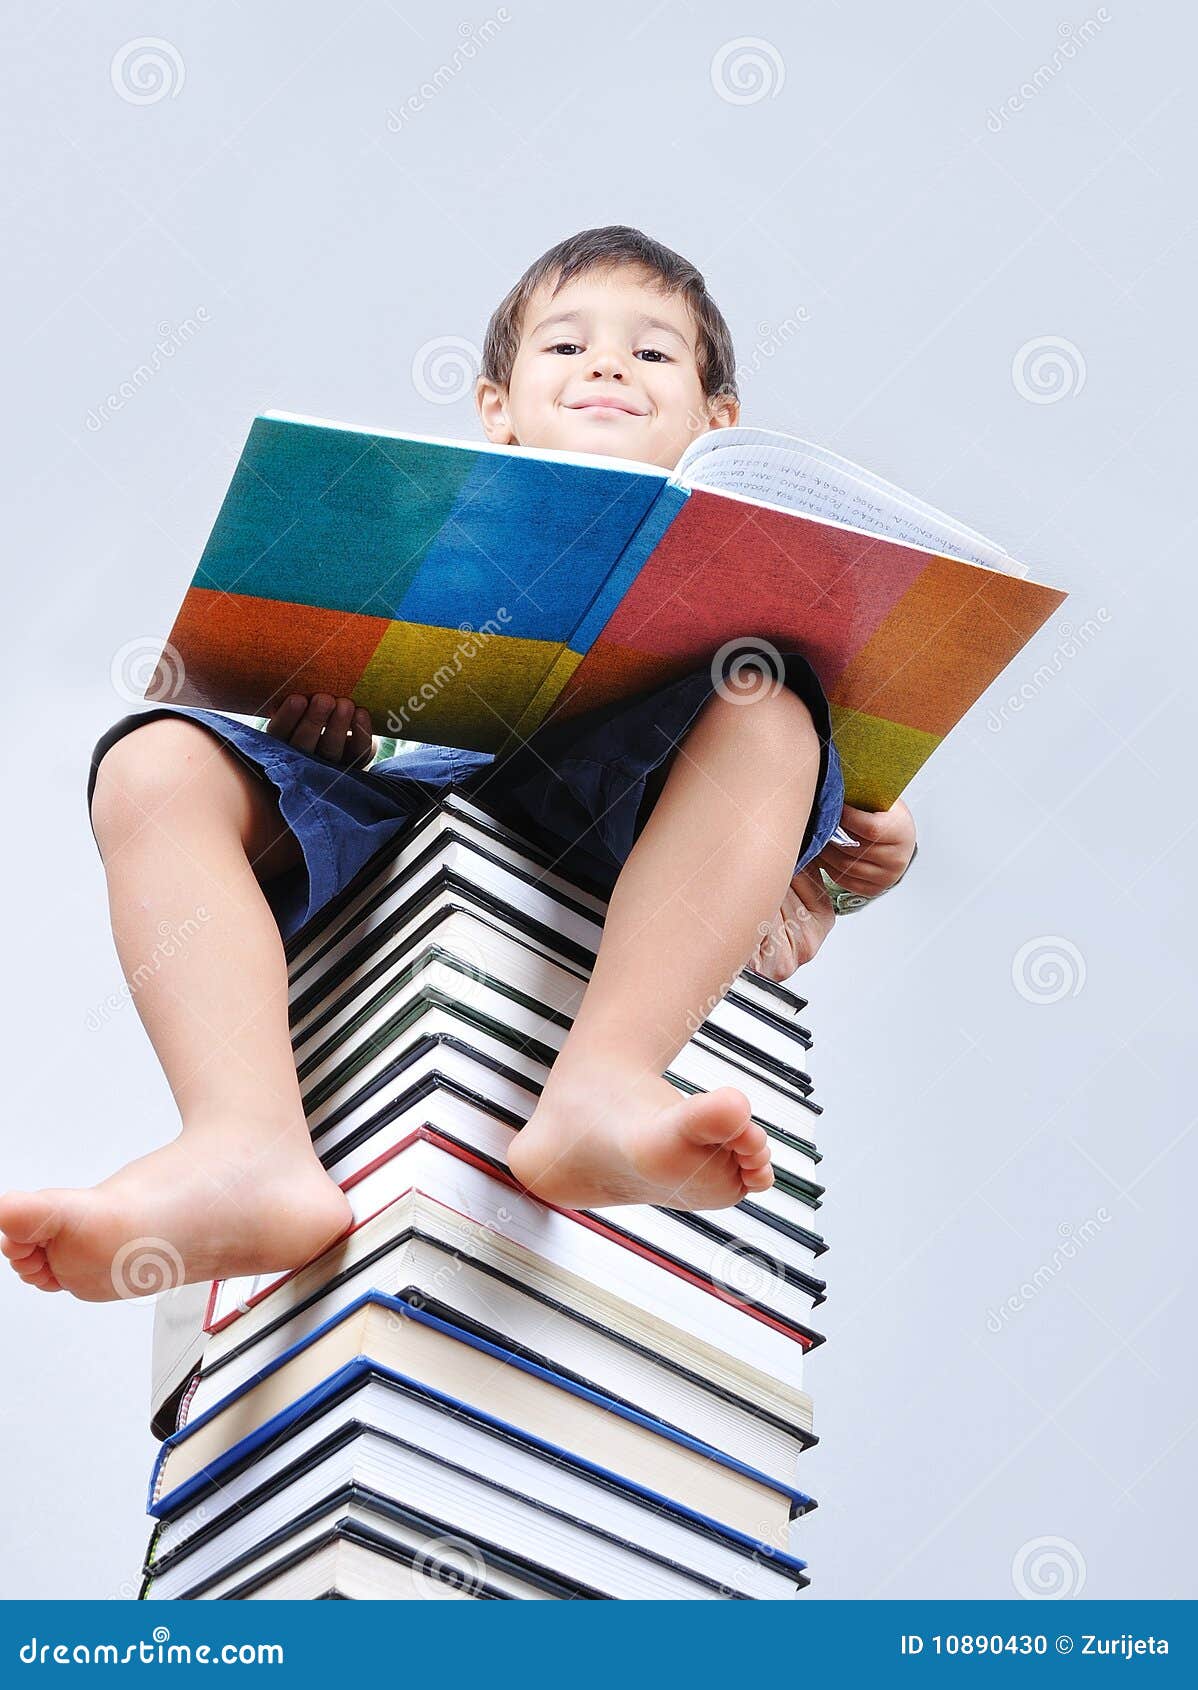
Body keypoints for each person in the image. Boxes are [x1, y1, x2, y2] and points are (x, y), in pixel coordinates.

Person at [0, 226, 915, 1302]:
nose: (609, 364)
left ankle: (601, 1092)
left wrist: (858, 859)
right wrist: (323, 743)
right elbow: (351, 769)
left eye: (655, 353)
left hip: (616, 807)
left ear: (718, 421)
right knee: (153, 762)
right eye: (565, 347)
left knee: (770, 705)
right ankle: (243, 1150)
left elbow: (778, 881)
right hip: (408, 794)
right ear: (498, 408)